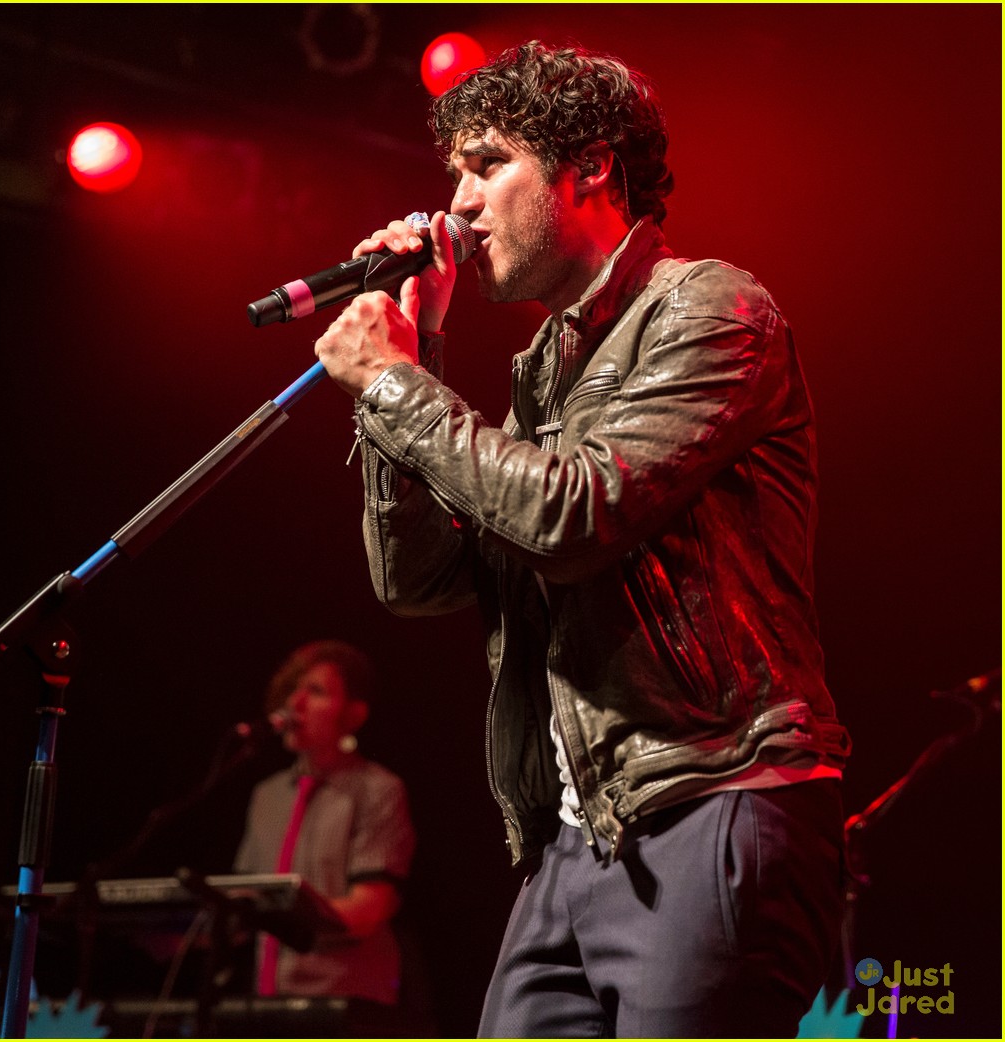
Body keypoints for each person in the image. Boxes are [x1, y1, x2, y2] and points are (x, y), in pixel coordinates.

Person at [313, 41, 852, 1038]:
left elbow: (572, 516)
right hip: (576, 835)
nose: (458, 205)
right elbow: (417, 577)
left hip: (712, 793)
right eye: (456, 174)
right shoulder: (545, 367)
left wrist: (391, 383)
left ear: (592, 165)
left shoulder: (710, 306)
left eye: (487, 164)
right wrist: (417, 356)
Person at [232, 639, 415, 1010]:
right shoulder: (267, 795)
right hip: (269, 1000)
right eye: (293, 689)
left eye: (316, 691)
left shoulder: (378, 789)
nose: (295, 702)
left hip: (345, 1001)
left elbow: (368, 909)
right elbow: (244, 904)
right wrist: (182, 930)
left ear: (353, 715)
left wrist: (281, 917)